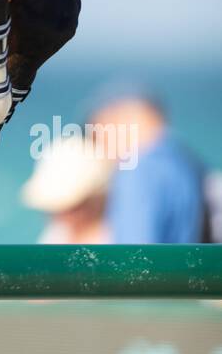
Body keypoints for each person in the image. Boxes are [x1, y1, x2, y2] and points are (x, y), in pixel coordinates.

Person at [86, 89, 208, 243]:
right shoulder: (183, 160)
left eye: (98, 134)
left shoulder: (137, 170)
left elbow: (135, 254)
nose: (100, 149)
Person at [21, 135, 113, 243]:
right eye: (54, 210)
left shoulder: (120, 235)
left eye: (73, 208)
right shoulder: (56, 235)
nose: (63, 217)